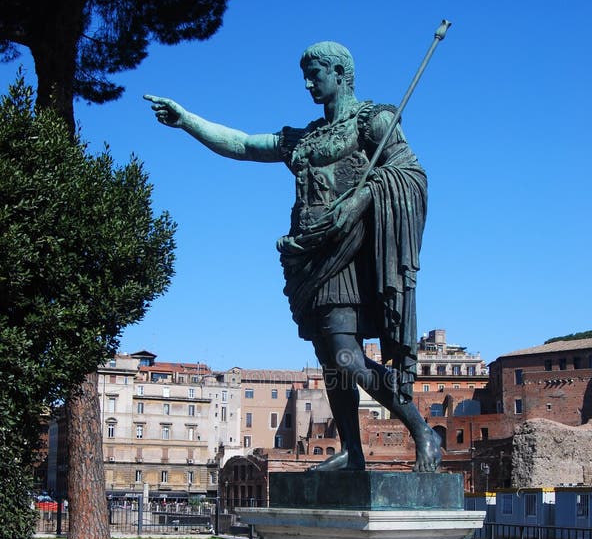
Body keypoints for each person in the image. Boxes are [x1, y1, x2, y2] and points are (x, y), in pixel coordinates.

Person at [145, 41, 441, 472]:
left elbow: (411, 175)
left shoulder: (373, 121)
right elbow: (244, 145)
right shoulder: (305, 137)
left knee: (347, 357)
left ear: (340, 73)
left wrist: (363, 199)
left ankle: (422, 430)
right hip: (310, 257)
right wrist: (187, 121)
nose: (307, 84)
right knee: (331, 360)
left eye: (314, 74)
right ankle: (352, 453)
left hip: (350, 256)